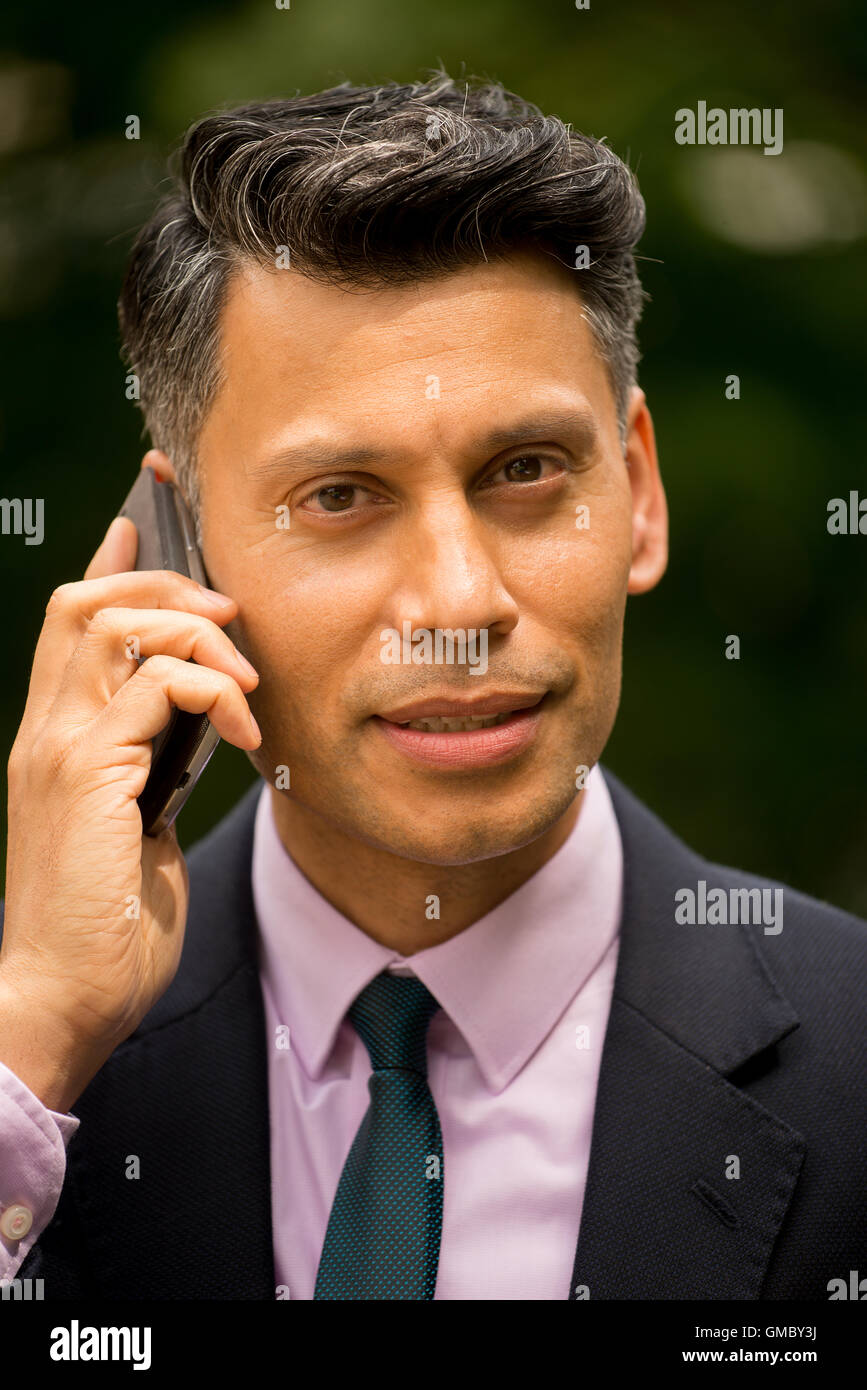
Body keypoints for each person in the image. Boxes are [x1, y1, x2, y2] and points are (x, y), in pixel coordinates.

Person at [1, 72, 864, 1301]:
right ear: (181, 548)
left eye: (525, 468)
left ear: (638, 491)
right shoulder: (31, 1074)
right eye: (340, 496)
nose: (459, 606)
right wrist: (30, 1040)